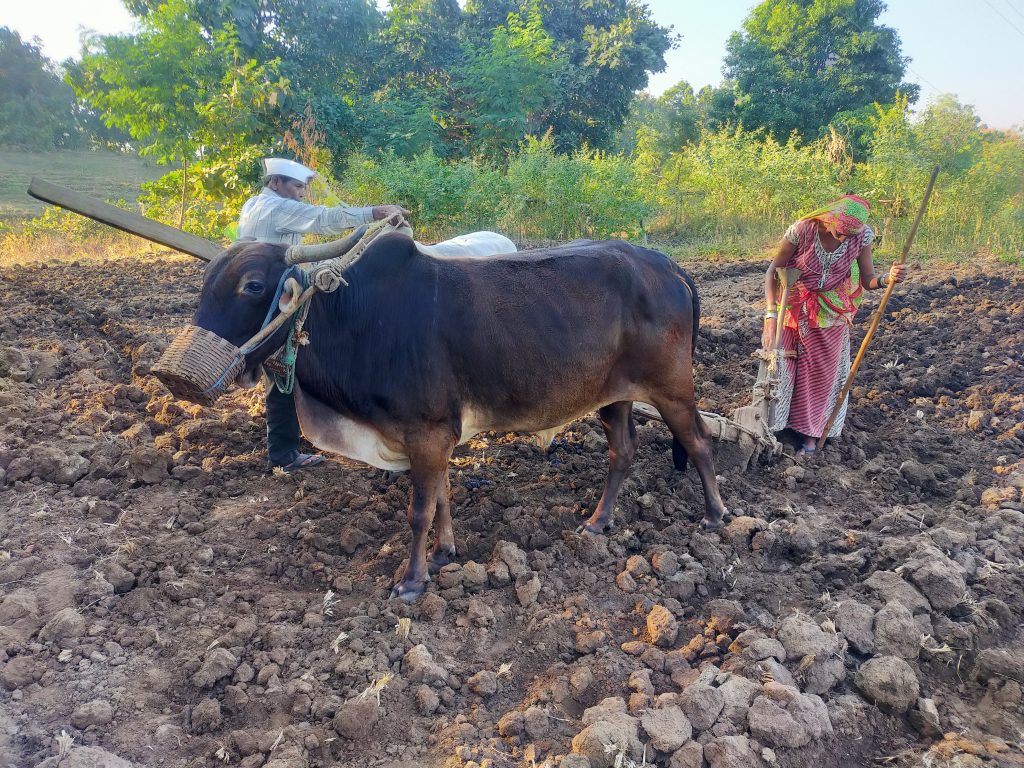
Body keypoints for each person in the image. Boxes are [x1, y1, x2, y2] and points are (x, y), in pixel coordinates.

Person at [238, 157, 409, 471]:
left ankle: (285, 446)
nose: (302, 193)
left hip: (258, 299)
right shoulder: (277, 208)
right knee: (285, 369)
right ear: (276, 183)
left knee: (279, 371)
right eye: (297, 186)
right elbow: (322, 219)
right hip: (278, 302)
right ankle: (285, 453)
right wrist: (375, 213)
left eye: (304, 187)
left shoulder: (252, 205)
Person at [762, 194, 907, 455]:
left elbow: (868, 279)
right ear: (829, 218)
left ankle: (810, 433)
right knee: (781, 367)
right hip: (792, 305)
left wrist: (888, 278)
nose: (843, 239)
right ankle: (775, 427)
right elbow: (774, 271)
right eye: (839, 232)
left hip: (831, 311)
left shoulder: (861, 237)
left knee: (819, 375)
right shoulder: (801, 230)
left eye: (848, 236)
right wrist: (771, 316)